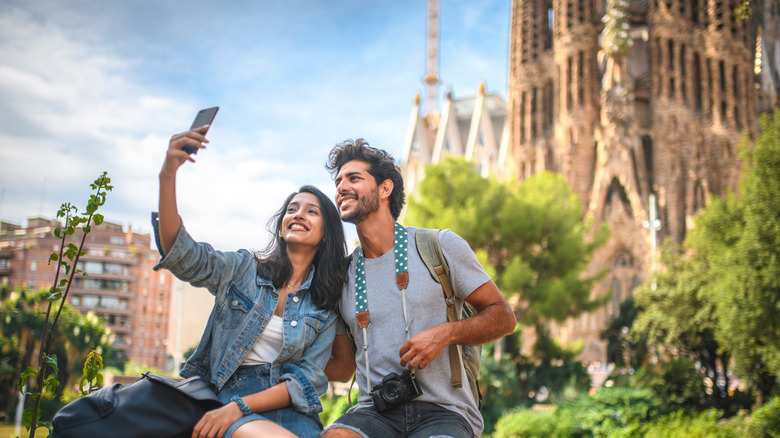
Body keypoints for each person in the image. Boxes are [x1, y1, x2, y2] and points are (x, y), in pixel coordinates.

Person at [154, 125, 348, 438]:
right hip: (226, 400)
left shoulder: (326, 301)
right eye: (292, 209)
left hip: (292, 410)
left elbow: (307, 380)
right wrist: (168, 175)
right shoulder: (243, 269)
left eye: (311, 211)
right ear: (282, 227)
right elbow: (183, 255)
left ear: (326, 233)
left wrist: (243, 406)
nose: (298, 214)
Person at [321, 139, 517, 438]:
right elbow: (343, 367)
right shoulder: (343, 275)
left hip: (446, 412)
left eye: (354, 178)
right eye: (338, 181)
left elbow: (504, 317)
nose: (341, 187)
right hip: (374, 411)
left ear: (385, 189)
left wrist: (446, 333)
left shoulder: (439, 246)